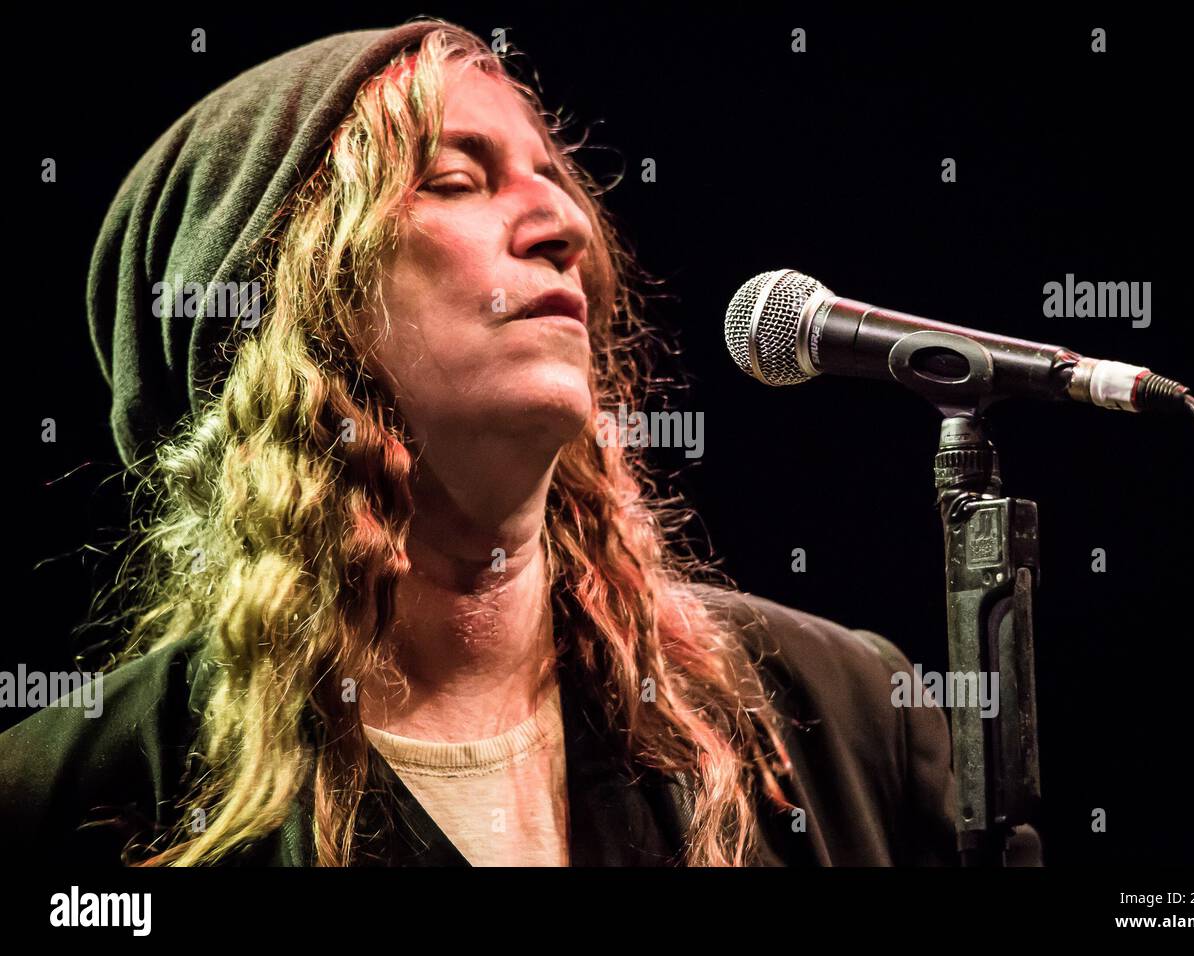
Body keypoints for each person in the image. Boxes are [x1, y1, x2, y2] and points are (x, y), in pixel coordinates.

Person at [0, 19, 958, 866]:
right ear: (286, 319)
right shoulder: (60, 801)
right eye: (456, 180)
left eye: (555, 181)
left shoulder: (843, 713)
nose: (565, 225)